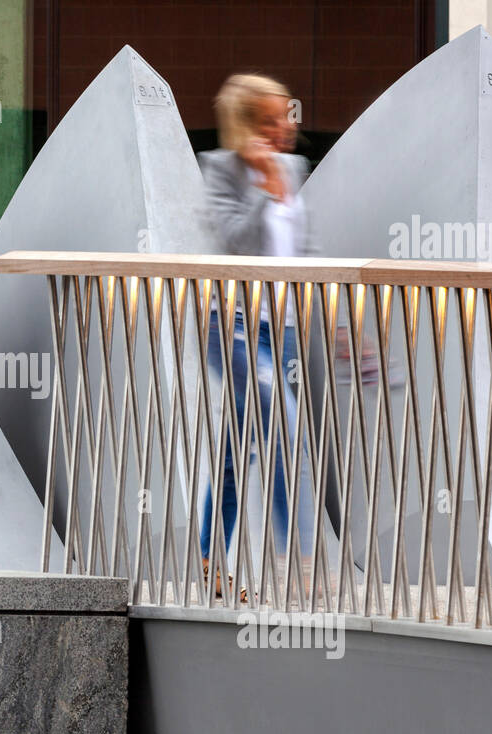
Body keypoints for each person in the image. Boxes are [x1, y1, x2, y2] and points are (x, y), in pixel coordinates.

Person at [201, 73, 317, 593]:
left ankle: (205, 563)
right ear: (249, 123)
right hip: (237, 329)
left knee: (234, 450)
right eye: (272, 119)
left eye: (287, 114)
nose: (286, 127)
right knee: (284, 435)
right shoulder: (223, 170)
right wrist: (263, 186)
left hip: (285, 329)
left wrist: (342, 324)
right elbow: (236, 242)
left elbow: (305, 254)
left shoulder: (295, 167)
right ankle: (297, 570)